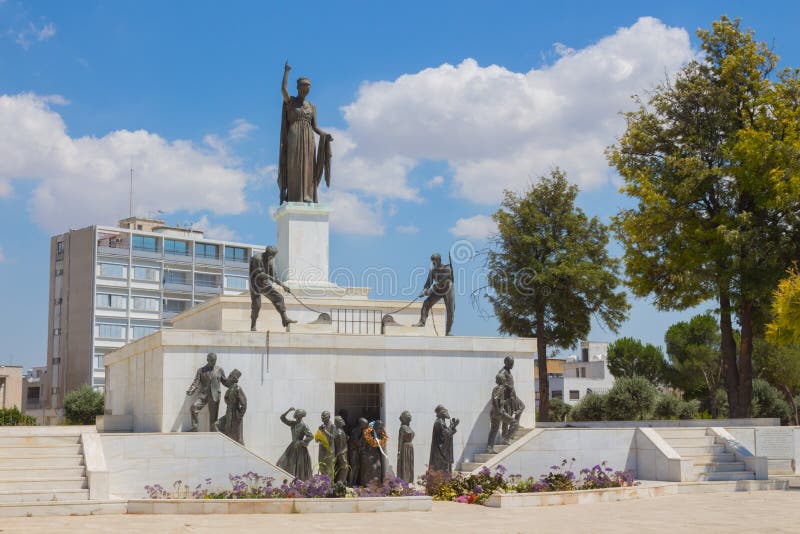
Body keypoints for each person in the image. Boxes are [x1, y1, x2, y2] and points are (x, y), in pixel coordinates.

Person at [278, 60, 333, 204]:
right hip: (294, 136)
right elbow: (283, 90)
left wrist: (324, 135)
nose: (307, 87)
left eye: (309, 85)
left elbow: (315, 126)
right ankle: (293, 196)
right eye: (304, 85)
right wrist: (286, 72)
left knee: (308, 166)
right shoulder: (290, 101)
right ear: (298, 87)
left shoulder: (311, 106)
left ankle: (307, 195)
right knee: (294, 165)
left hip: (309, 138)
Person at [249, 246, 295, 330]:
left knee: (279, 297)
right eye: (271, 255)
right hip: (255, 283)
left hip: (264, 283)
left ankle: (284, 318)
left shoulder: (271, 262)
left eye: (273, 256)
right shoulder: (257, 258)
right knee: (257, 305)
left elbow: (275, 277)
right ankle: (253, 324)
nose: (272, 257)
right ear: (267, 253)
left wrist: (283, 286)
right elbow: (259, 274)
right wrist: (272, 278)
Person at [413, 253, 455, 335]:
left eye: (434, 262)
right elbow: (428, 283)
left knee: (450, 310)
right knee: (426, 303)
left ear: (439, 260)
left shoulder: (447, 268)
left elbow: (440, 283)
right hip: (438, 290)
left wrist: (429, 292)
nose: (433, 264)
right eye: (432, 262)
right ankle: (422, 322)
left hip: (448, 289)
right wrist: (424, 290)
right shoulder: (433, 271)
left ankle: (448, 331)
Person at [186, 353, 229, 431]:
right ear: (207, 360)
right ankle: (195, 427)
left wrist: (232, 383)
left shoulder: (219, 370)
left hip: (215, 396)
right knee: (193, 408)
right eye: (212, 361)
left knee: (213, 418)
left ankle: (213, 433)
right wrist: (191, 390)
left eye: (215, 360)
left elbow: (225, 382)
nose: (214, 362)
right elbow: (196, 382)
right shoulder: (201, 370)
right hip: (203, 395)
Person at [276, 407, 313, 480]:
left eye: (297, 415)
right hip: (292, 446)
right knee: (282, 463)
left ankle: (298, 482)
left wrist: (301, 442)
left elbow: (311, 436)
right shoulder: (293, 423)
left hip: (300, 448)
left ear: (300, 416)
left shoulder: (304, 425)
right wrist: (288, 410)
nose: (295, 416)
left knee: (298, 466)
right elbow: (282, 418)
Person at [214, 368, 247, 445]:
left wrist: (239, 416)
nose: (228, 377)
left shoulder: (237, 389)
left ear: (233, 378)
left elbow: (244, 404)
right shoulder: (229, 390)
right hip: (228, 415)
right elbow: (227, 401)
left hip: (235, 416)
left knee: (239, 439)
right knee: (216, 426)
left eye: (230, 376)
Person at [497, 356, 525, 440]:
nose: (512, 364)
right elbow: (499, 382)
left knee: (522, 406)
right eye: (511, 363)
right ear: (506, 363)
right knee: (507, 417)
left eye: (513, 363)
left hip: (513, 396)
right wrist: (507, 386)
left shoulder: (508, 371)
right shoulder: (503, 372)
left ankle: (514, 427)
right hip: (507, 397)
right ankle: (506, 436)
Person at [486, 375, 514, 453]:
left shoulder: (496, 388)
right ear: (501, 380)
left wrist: (505, 402)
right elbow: (495, 399)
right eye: (504, 379)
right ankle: (506, 438)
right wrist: (498, 410)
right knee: (514, 423)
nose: (505, 380)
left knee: (494, 430)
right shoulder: (500, 388)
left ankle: (489, 447)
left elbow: (498, 400)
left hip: (494, 412)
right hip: (499, 412)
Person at [428, 405, 459, 473]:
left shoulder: (441, 422)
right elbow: (445, 435)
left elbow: (445, 433)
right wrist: (453, 426)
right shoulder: (439, 422)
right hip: (440, 453)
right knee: (441, 472)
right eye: (444, 410)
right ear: (441, 412)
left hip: (441, 452)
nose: (446, 411)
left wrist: (452, 426)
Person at [360, 420, 387, 485]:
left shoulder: (380, 435)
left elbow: (381, 444)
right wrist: (364, 455)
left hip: (375, 454)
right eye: (380, 427)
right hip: (368, 454)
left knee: (378, 466)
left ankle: (377, 484)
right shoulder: (368, 433)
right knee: (371, 468)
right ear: (375, 427)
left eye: (382, 427)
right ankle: (367, 484)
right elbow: (362, 445)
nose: (381, 429)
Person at [315, 410, 336, 477]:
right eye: (322, 416)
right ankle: (323, 485)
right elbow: (319, 438)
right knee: (321, 467)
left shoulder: (333, 426)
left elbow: (332, 438)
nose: (322, 417)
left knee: (328, 468)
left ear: (329, 417)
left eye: (324, 416)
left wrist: (325, 431)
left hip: (329, 451)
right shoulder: (322, 426)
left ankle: (328, 485)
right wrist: (317, 437)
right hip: (322, 449)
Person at [348, 417, 368, 486]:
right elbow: (358, 443)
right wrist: (363, 435)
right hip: (353, 451)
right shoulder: (355, 431)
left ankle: (354, 483)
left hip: (357, 451)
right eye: (365, 424)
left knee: (357, 467)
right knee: (353, 467)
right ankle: (350, 483)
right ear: (361, 424)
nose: (367, 425)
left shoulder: (360, 431)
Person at [397, 410, 415, 483]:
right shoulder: (402, 428)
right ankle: (405, 480)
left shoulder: (408, 427)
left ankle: (409, 479)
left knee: (410, 463)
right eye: (408, 418)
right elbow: (400, 440)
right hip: (404, 448)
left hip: (410, 447)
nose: (410, 420)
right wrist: (399, 451)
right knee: (405, 464)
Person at [332, 416, 349, 484]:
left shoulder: (340, 431)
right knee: (345, 468)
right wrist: (342, 458)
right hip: (342, 454)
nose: (343, 420)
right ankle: (340, 485)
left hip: (341, 453)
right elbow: (340, 447)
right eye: (341, 420)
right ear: (337, 422)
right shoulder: (339, 432)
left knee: (340, 469)